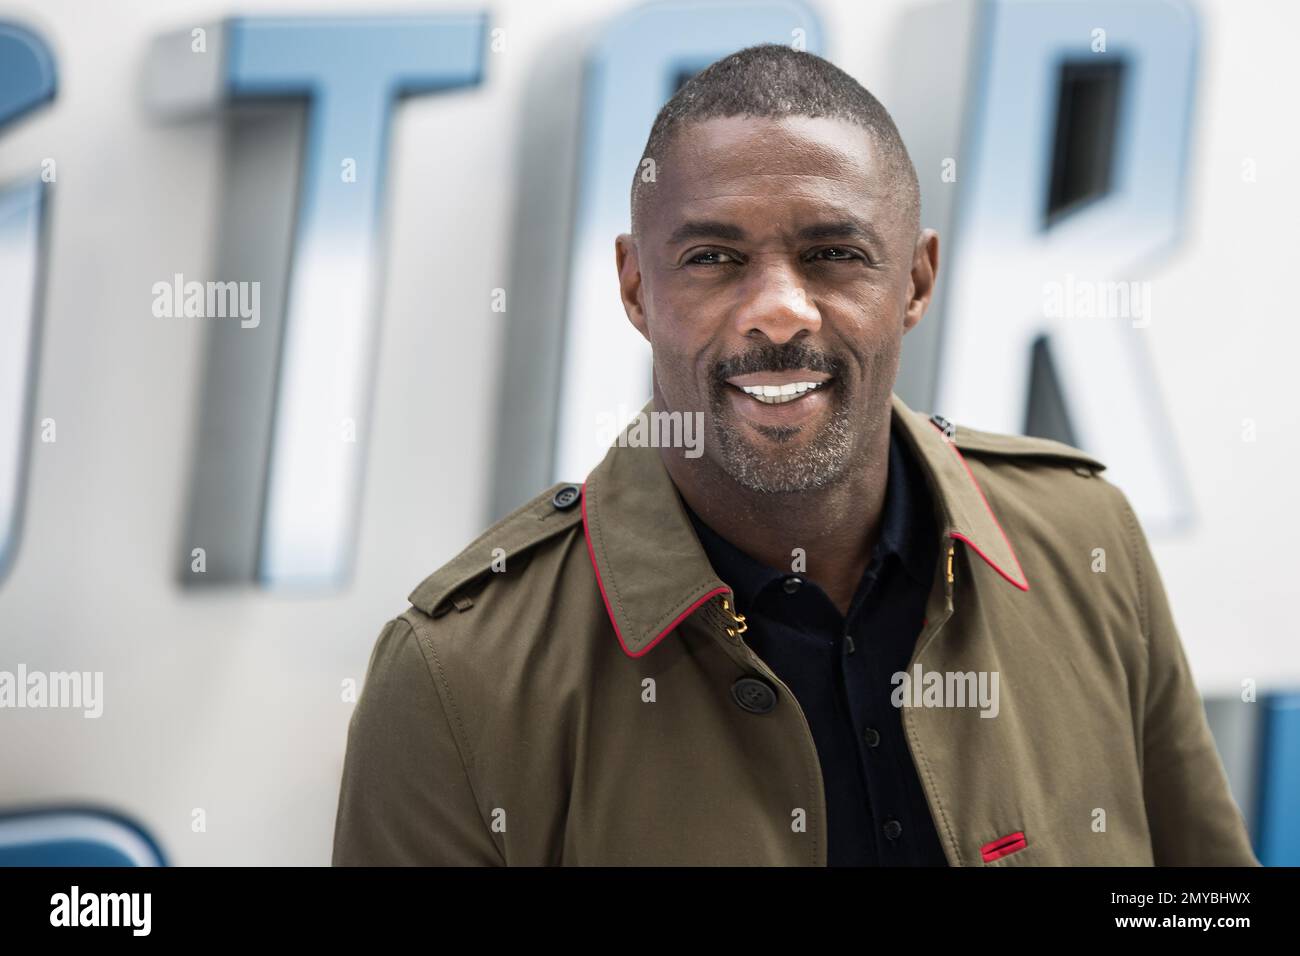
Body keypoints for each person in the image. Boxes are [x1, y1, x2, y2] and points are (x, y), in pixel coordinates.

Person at [332, 44, 1258, 866]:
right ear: (634, 286)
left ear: (917, 280)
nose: (780, 310)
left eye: (833, 253)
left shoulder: (1086, 541)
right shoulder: (456, 676)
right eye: (712, 259)